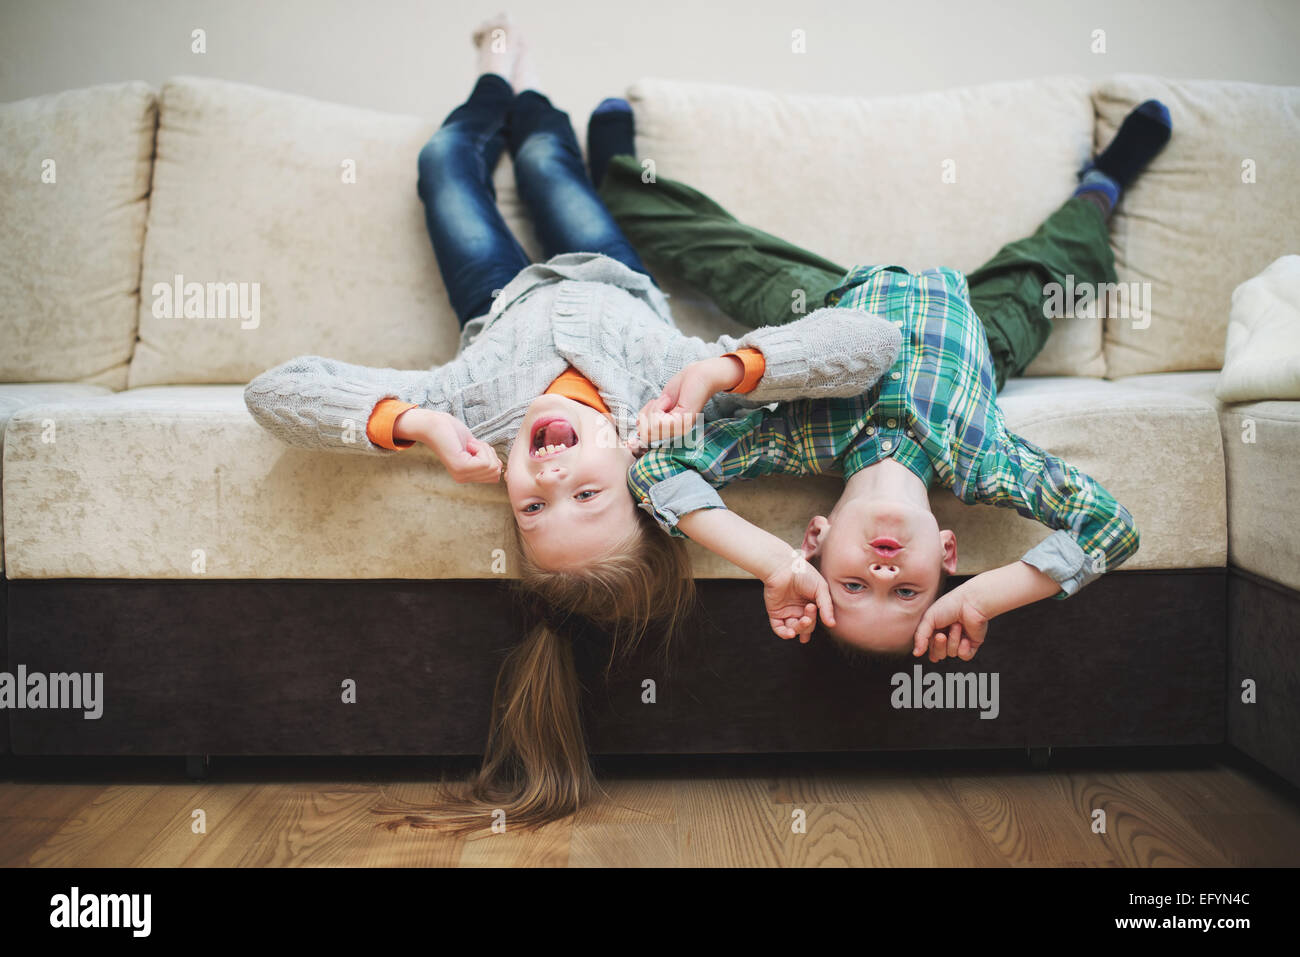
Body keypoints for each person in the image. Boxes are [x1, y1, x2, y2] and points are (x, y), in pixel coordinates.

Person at [243, 15, 902, 830]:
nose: (548, 480)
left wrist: (415, 420)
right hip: (613, 277)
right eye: (587, 495)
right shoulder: (673, 407)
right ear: (638, 471)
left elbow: (275, 391)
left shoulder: (468, 412)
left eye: (532, 508)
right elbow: (872, 343)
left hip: (498, 296)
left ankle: (494, 83)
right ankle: (530, 102)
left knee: (444, 163)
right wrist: (719, 368)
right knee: (551, 161)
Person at [589, 94, 1172, 661]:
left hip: (831, 315)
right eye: (907, 592)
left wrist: (774, 561)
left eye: (854, 587)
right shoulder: (986, 465)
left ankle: (617, 178)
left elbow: (656, 467)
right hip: (985, 334)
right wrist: (984, 596)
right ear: (948, 551)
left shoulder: (792, 440)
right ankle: (1103, 186)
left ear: (816, 538)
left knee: (721, 252)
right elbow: (1107, 527)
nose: (883, 573)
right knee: (1060, 262)